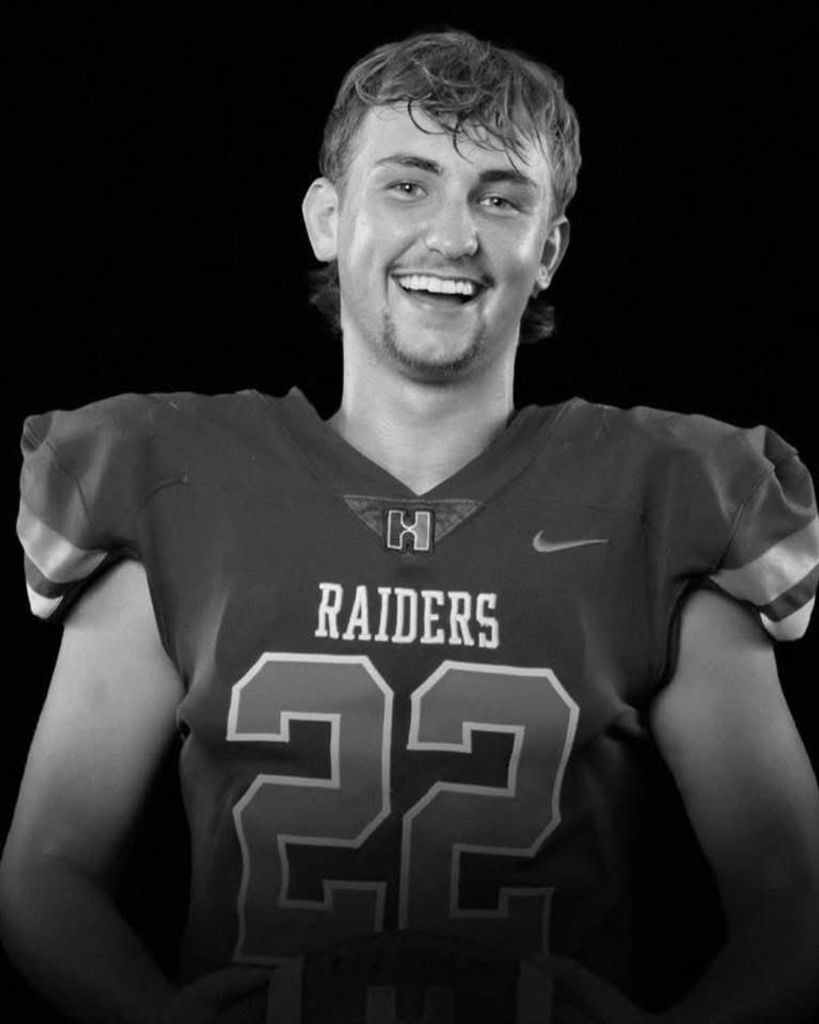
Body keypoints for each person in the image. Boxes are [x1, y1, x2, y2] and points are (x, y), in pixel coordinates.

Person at [3, 27, 819, 1024]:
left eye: (501, 198)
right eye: (406, 186)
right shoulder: (175, 485)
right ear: (327, 219)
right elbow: (48, 866)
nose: (452, 235)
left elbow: (792, 895)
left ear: (549, 248)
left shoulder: (663, 500)